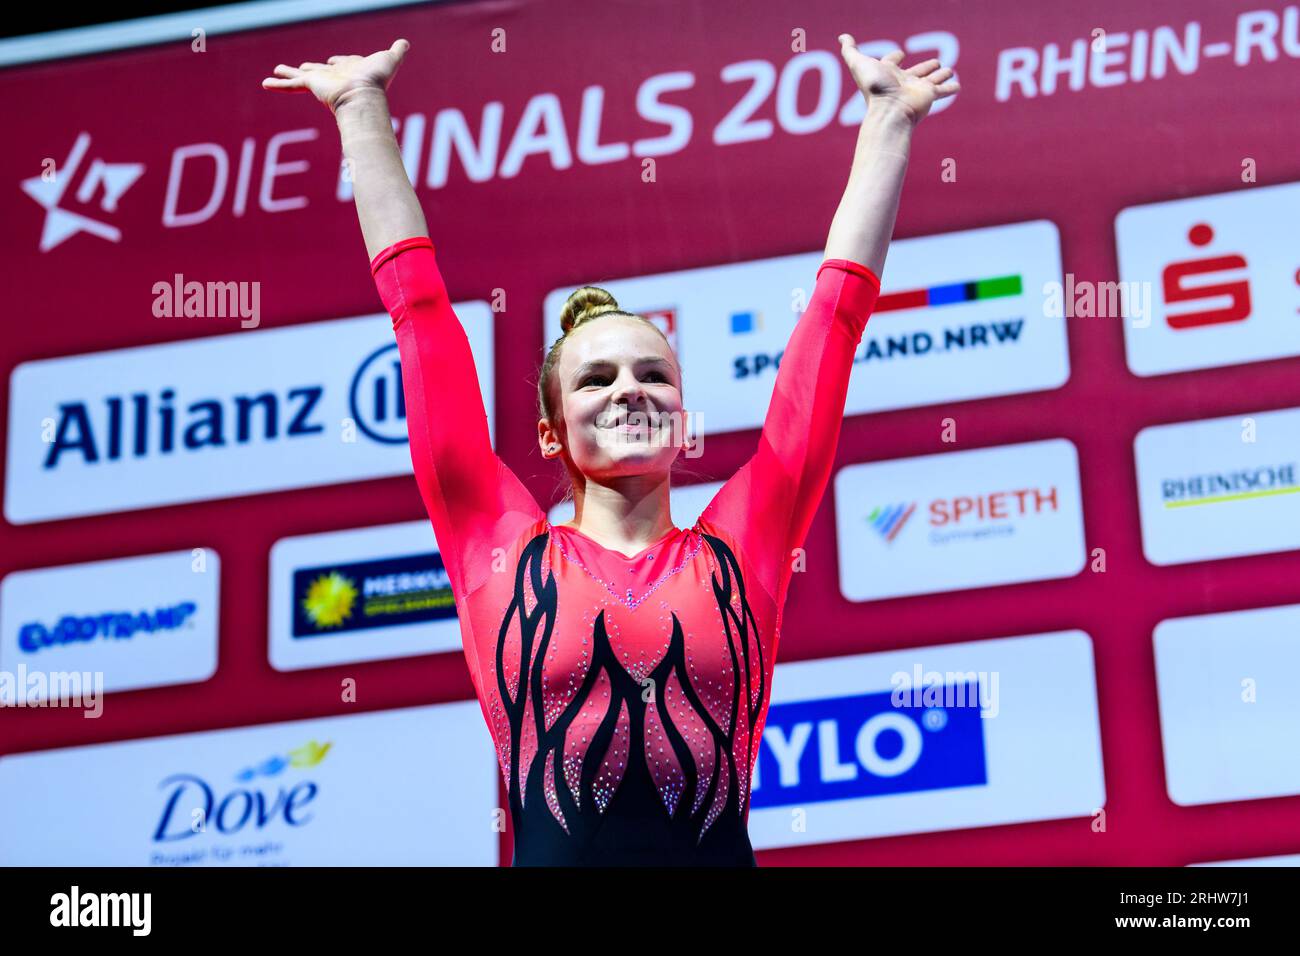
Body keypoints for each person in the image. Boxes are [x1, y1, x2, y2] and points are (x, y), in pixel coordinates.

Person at [263, 35, 957, 866]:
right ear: (552, 430)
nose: (629, 389)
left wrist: (888, 120)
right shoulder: (497, 546)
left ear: (681, 411)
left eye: (653, 373)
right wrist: (360, 109)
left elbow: (833, 325)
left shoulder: (744, 549)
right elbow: (420, 313)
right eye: (596, 379)